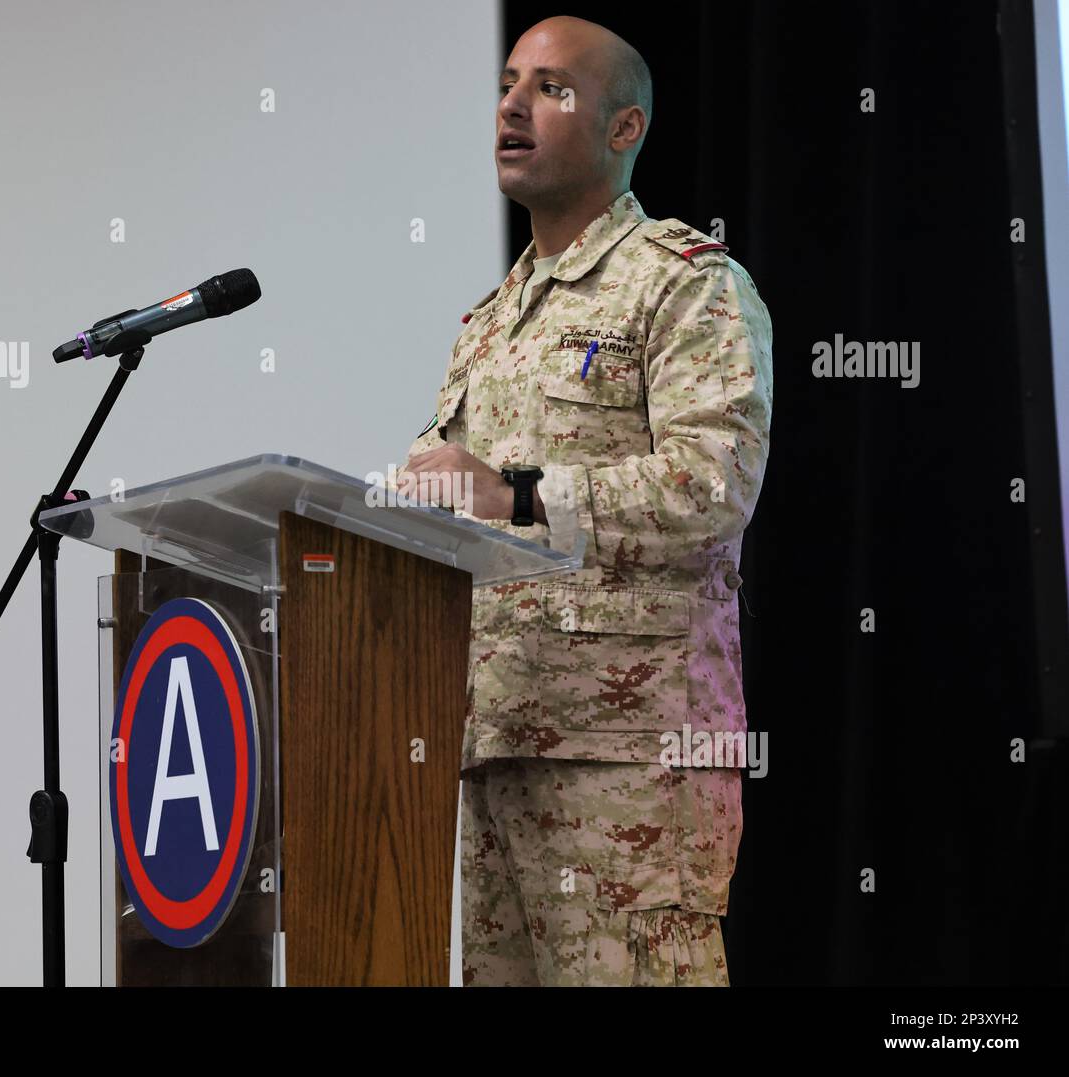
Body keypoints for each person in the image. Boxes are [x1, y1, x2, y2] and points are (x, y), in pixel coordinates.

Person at [399, 15, 774, 986]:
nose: (513, 106)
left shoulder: (684, 286)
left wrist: (515, 493)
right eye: (507, 83)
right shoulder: (488, 324)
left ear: (624, 128)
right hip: (499, 735)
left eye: (551, 88)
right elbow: (449, 501)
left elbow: (713, 484)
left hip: (630, 757)